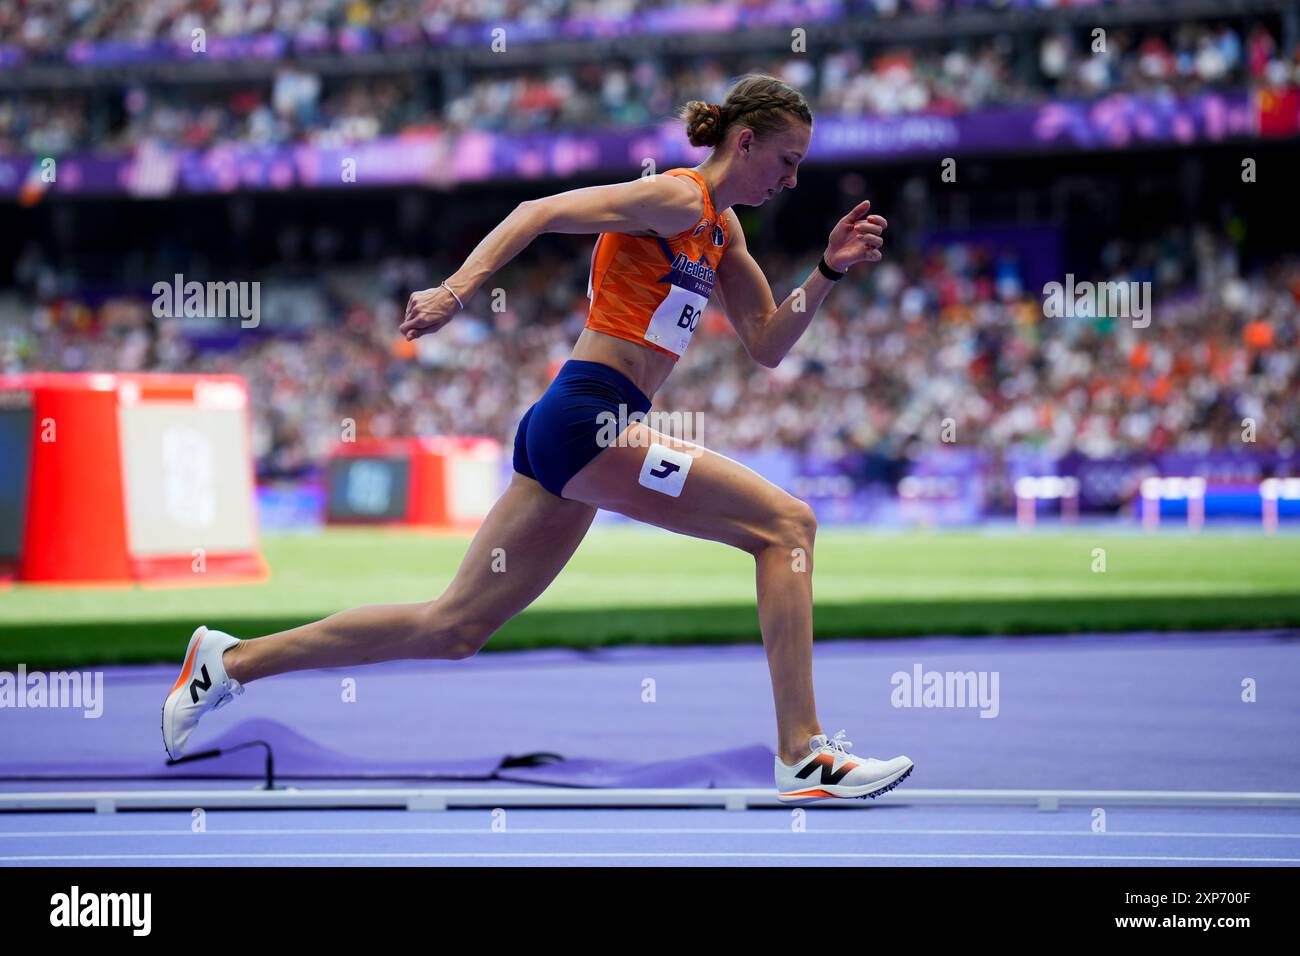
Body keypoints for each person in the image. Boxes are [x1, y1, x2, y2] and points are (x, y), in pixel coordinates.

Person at [163, 73, 912, 803]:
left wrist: (825, 271)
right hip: (591, 418)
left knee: (454, 627)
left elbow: (768, 342)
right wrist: (455, 290)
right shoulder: (678, 197)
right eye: (786, 160)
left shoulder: (721, 228)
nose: (791, 180)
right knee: (787, 527)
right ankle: (802, 751)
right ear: (744, 142)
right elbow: (537, 211)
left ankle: (228, 663)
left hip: (579, 426)